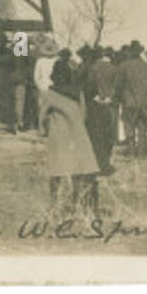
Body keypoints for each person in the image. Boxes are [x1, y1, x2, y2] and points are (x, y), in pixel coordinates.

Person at [40, 79, 100, 215]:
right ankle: (75, 203)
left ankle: (54, 204)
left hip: (59, 135)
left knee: (56, 171)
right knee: (77, 170)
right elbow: (84, 115)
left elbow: (42, 114)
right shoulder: (78, 91)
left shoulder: (50, 94)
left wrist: (43, 130)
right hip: (77, 134)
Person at [83, 46, 118, 174]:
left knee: (96, 133)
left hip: (95, 103)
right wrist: (109, 97)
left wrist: (96, 97)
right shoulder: (114, 68)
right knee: (109, 133)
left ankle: (97, 162)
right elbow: (116, 85)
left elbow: (90, 84)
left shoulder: (92, 68)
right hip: (109, 103)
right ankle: (106, 161)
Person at [115, 41, 147, 157]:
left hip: (129, 102)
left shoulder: (124, 66)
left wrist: (118, 97)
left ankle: (131, 153)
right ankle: (142, 153)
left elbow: (118, 85)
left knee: (129, 127)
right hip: (145, 102)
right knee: (142, 128)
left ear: (130, 52)